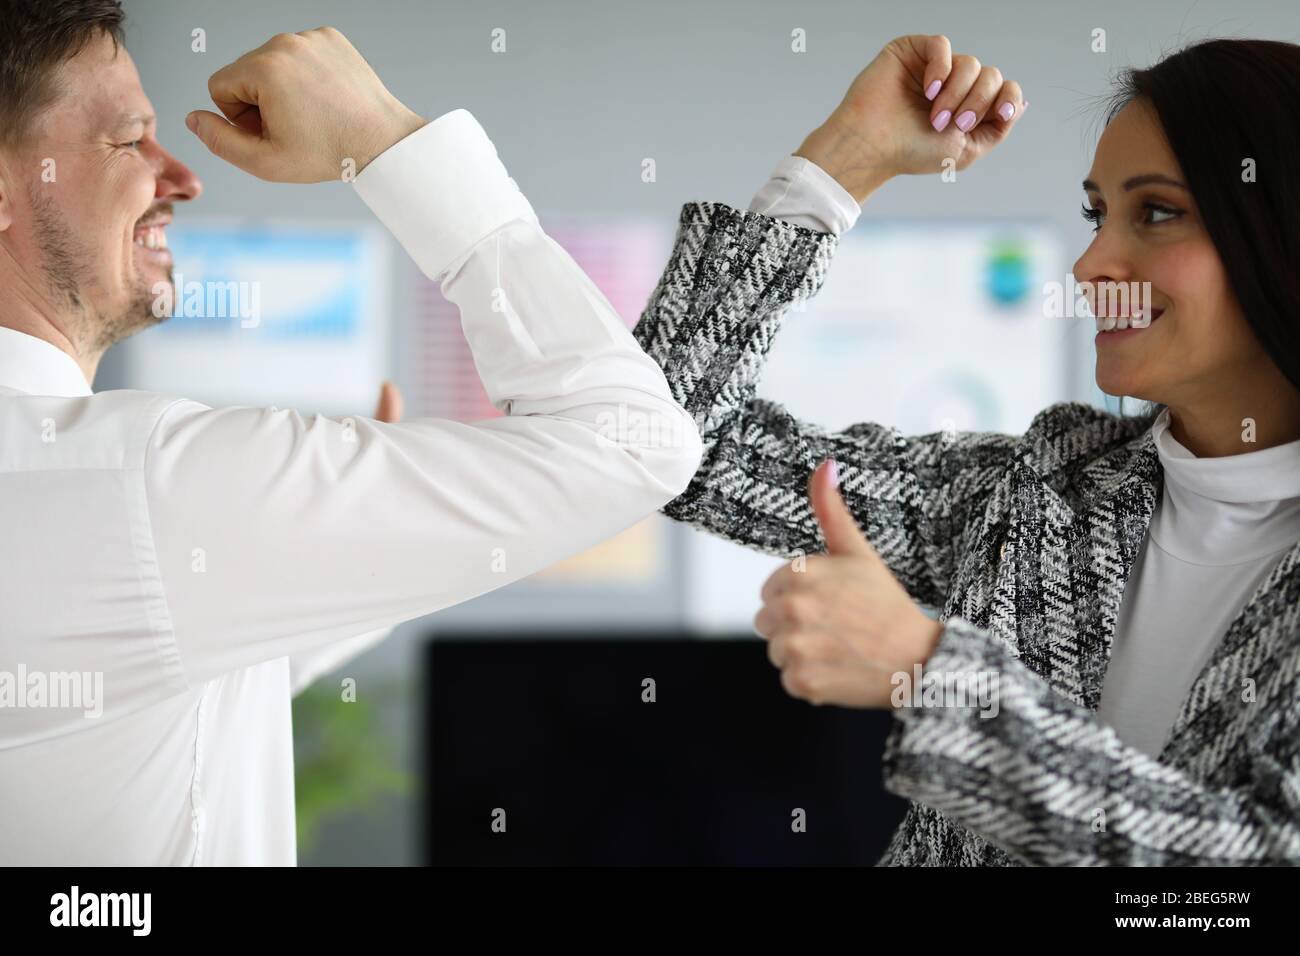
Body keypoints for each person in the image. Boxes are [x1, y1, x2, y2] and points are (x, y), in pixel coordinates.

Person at [0, 3, 701, 865]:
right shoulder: (146, 486)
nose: (179, 177)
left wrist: (324, 535)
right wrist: (382, 137)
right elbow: (635, 443)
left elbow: (126, 685)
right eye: (128, 140)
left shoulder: (118, 510)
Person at [632, 33, 1300, 865]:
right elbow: (662, 440)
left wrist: (936, 677)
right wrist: (850, 157)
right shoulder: (1043, 490)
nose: (1092, 264)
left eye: (1157, 211)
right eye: (1096, 213)